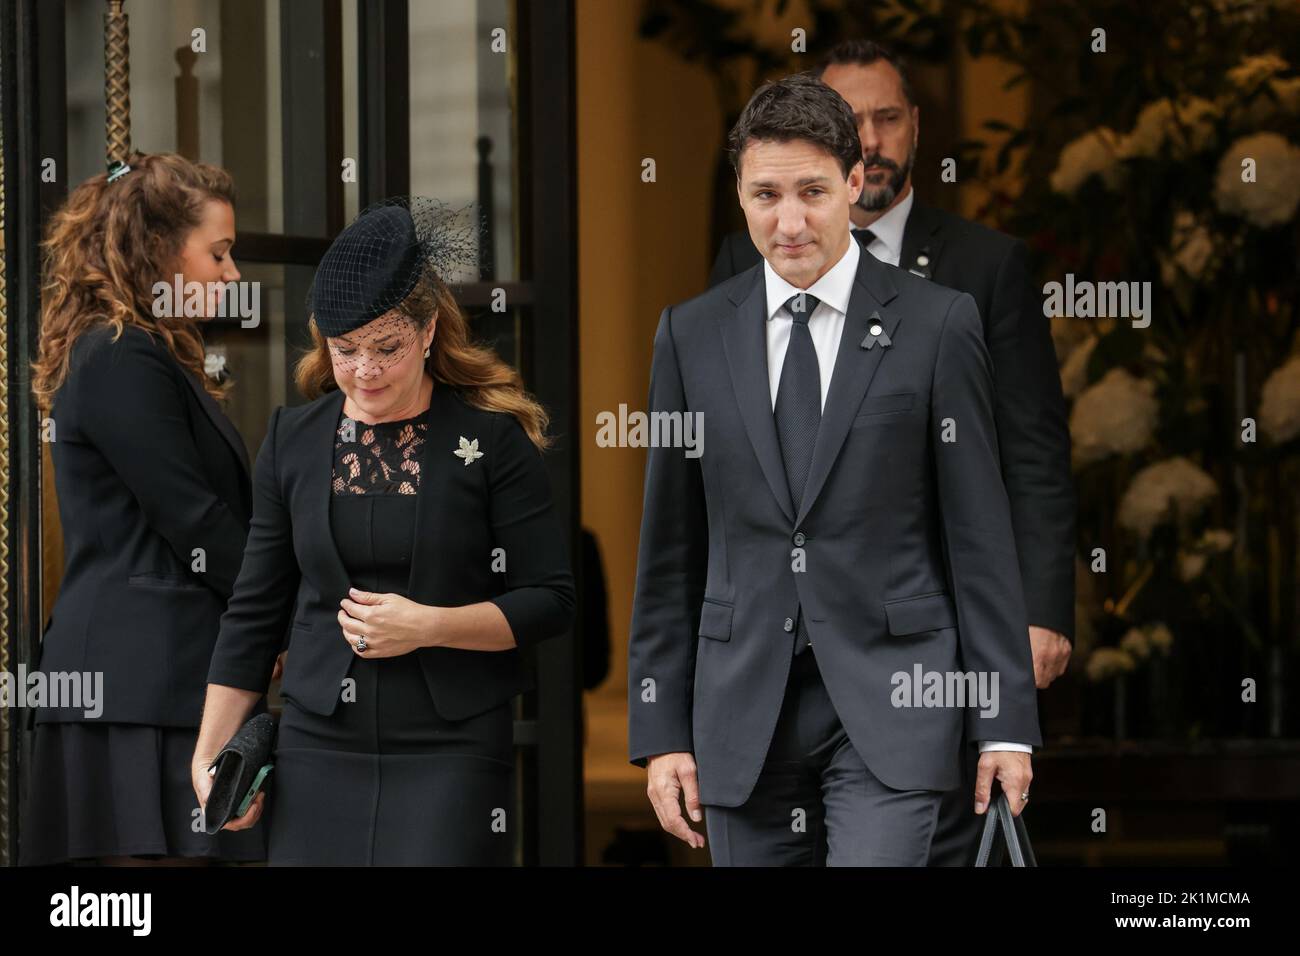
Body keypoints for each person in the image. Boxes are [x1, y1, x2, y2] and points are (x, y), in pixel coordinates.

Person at [628, 74, 1039, 865]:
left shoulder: (939, 323)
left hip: (894, 699)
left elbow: (979, 539)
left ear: (854, 183)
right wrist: (661, 731)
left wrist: (1004, 723)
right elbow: (670, 549)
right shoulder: (690, 335)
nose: (789, 222)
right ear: (739, 195)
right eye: (766, 195)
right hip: (741, 709)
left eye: (812, 191)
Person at [194, 198, 575, 866]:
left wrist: (428, 625)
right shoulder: (293, 439)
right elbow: (254, 610)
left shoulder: (491, 440)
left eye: (386, 348)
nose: (365, 371)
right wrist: (208, 754)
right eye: (345, 351)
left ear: (428, 331)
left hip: (450, 748)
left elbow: (550, 598)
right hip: (318, 740)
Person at [22, 151, 264, 865]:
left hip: (146, 680)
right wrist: (276, 611)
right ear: (160, 250)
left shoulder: (132, 349)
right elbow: (191, 517)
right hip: (138, 689)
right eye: (218, 254)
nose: (232, 276)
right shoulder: (121, 353)